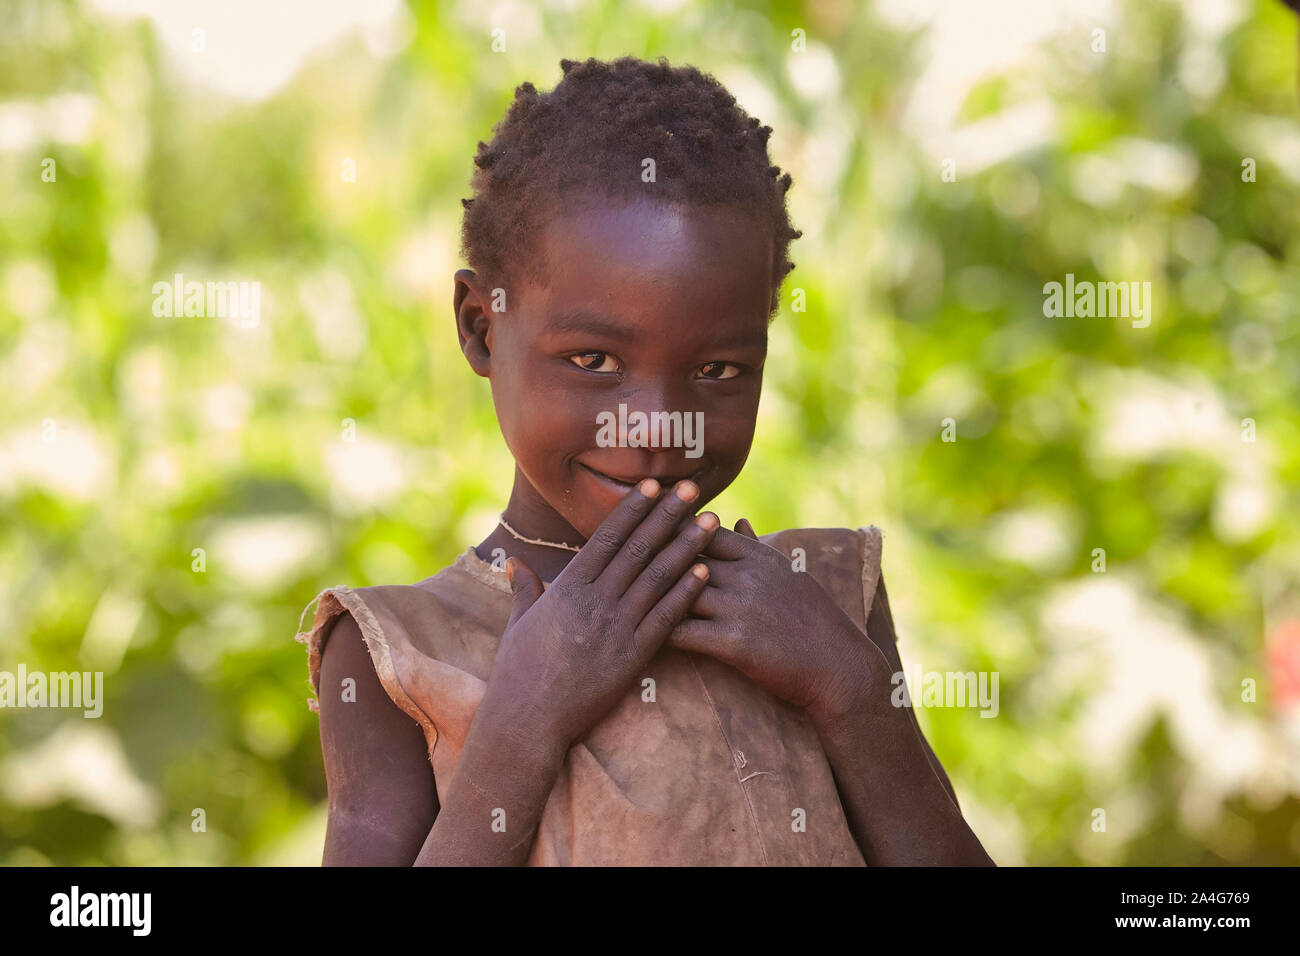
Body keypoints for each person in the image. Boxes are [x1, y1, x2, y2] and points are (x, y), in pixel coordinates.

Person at [297, 55, 993, 866]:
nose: (660, 429)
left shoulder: (826, 600)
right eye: (593, 361)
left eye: (719, 371)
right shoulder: (399, 654)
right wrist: (521, 728)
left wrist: (851, 691)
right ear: (482, 327)